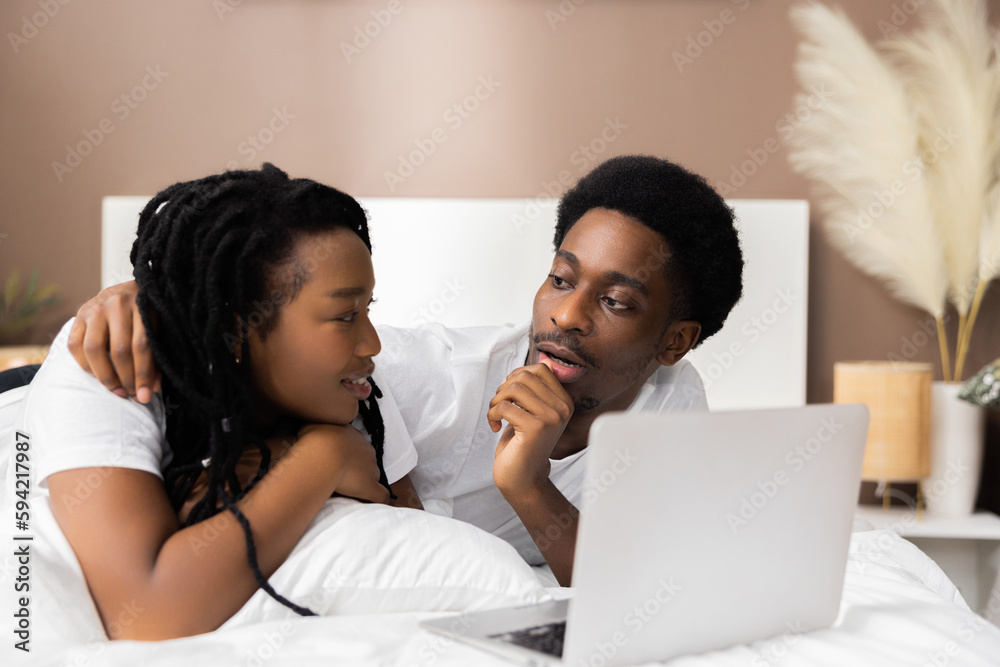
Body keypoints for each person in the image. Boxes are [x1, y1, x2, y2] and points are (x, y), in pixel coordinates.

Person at [69, 155, 744, 586]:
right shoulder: (421, 373)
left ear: (674, 341)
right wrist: (137, 299)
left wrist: (529, 484)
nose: (567, 315)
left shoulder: (671, 404)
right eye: (560, 277)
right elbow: (255, 330)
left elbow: (628, 587)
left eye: (617, 301)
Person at [14, 164, 418, 640]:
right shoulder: (109, 364)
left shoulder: (350, 382)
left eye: (367, 310)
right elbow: (148, 616)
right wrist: (321, 459)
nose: (372, 343)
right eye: (346, 314)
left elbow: (409, 526)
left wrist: (282, 458)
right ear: (234, 328)